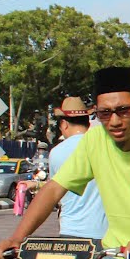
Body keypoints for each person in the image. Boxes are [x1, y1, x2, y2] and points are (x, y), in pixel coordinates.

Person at [0, 67, 130, 259]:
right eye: (104, 113)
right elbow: (53, 190)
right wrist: (17, 238)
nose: (114, 121)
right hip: (115, 256)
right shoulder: (94, 139)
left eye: (123, 111)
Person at [45, 96, 108, 242]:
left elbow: (55, 192)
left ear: (64, 124)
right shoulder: (103, 146)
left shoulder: (56, 152)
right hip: (104, 232)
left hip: (71, 229)